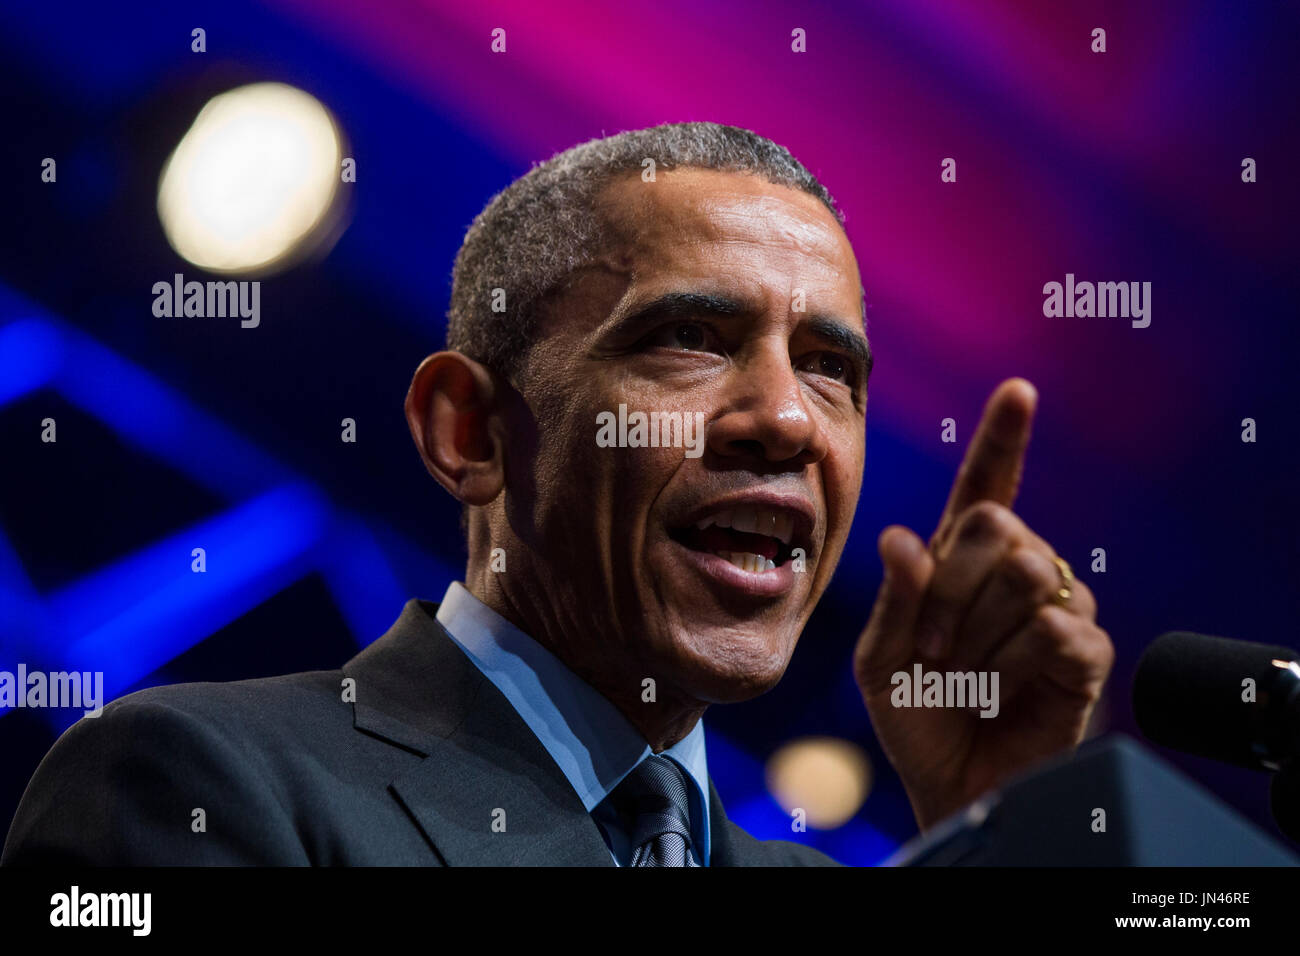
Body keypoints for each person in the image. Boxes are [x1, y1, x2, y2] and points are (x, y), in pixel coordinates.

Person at [3, 122, 1112, 866]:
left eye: (832, 367)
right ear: (470, 431)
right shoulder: (194, 779)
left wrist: (999, 823)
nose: (786, 418)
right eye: (689, 337)